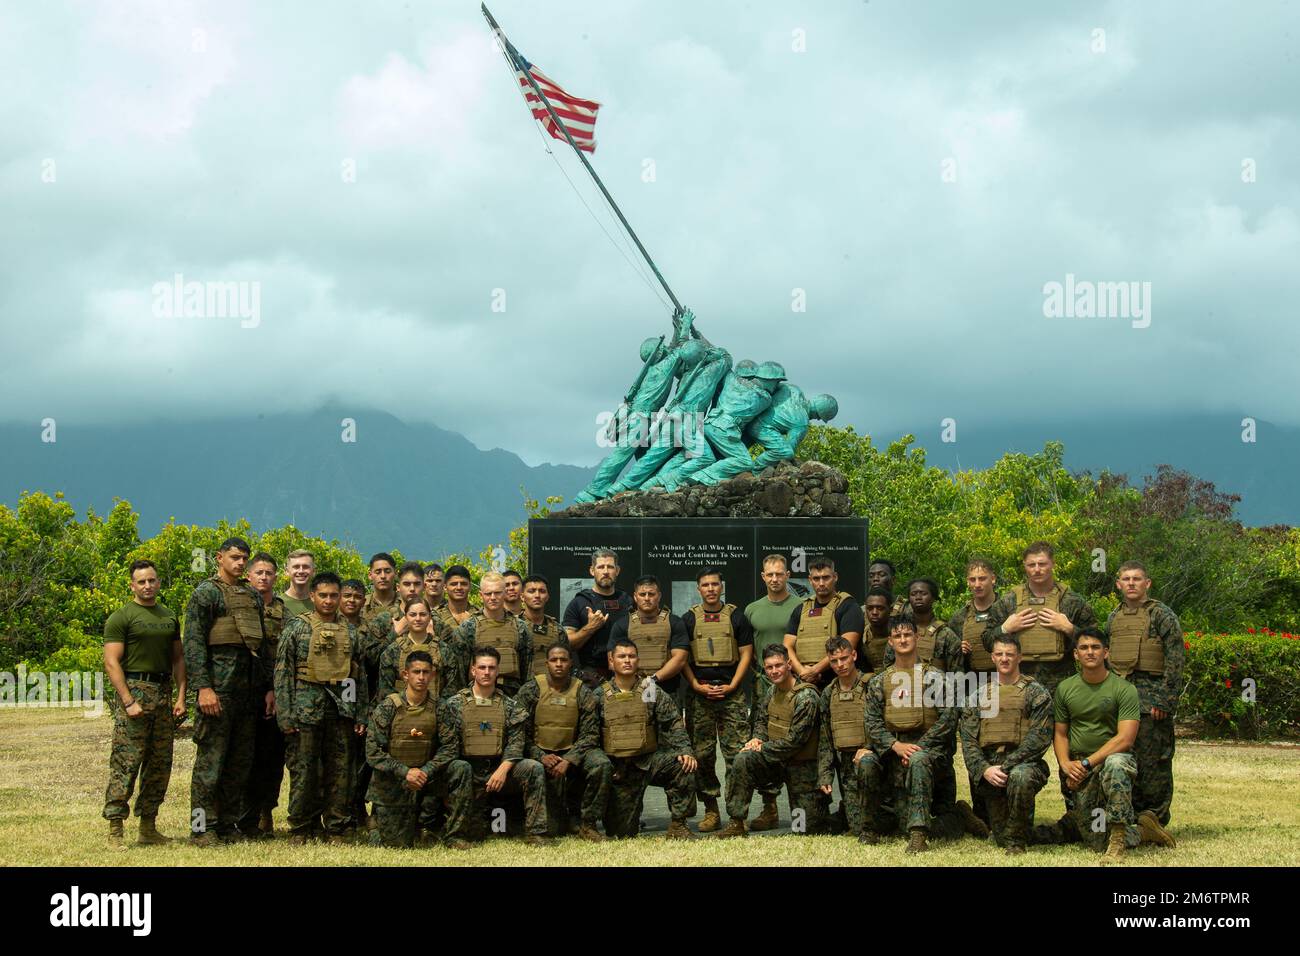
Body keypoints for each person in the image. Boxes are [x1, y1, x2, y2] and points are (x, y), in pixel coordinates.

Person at [1052, 628, 1176, 861]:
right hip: (1080, 767)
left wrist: (1087, 763)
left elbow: (1125, 739)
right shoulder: (1064, 689)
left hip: (1110, 762)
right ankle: (1142, 831)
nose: (1090, 652)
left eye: (1096, 647)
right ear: (1076, 655)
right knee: (1096, 839)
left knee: (1117, 763)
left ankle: (1118, 839)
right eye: (1084, 648)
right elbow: (1060, 734)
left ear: (1106, 652)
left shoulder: (1124, 689)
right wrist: (1067, 764)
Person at [860, 618, 983, 853]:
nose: (903, 640)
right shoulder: (879, 682)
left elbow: (949, 718)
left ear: (917, 638)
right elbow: (872, 722)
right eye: (898, 636)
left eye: (908, 635)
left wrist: (918, 747)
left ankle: (919, 836)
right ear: (890, 642)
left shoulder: (935, 677)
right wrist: (896, 746)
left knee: (918, 761)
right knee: (867, 763)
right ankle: (868, 829)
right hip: (893, 753)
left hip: (930, 754)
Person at [183, 537, 273, 846]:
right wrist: (203, 688)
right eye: (234, 557)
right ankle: (200, 828)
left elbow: (259, 646)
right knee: (210, 764)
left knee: (239, 764)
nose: (240, 563)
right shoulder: (206, 594)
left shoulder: (251, 596)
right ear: (219, 557)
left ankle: (227, 825)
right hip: (217, 693)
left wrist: (267, 688)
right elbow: (193, 643)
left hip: (247, 694)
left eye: (244, 558)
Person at [573, 308, 705, 502]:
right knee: (621, 455)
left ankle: (640, 484)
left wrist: (676, 331)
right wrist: (684, 327)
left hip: (642, 418)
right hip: (640, 420)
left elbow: (671, 350)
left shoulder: (655, 367)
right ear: (659, 354)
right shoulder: (661, 368)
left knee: (645, 454)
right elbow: (679, 352)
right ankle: (594, 489)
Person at [275, 572, 369, 844]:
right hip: (304, 711)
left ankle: (337, 827)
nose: (329, 601)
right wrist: (285, 714)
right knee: (304, 771)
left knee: (340, 771)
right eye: (323, 595)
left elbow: (358, 676)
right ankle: (301, 826)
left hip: (340, 711)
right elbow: (282, 673)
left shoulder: (351, 632)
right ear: (313, 596)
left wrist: (359, 712)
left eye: (333, 595)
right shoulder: (295, 628)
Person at [102, 559, 186, 846]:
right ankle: (115, 829)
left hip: (163, 695)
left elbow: (178, 659)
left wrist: (181, 696)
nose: (148, 586)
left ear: (158, 582)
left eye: (152, 580)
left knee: (159, 765)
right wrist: (127, 701)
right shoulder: (121, 617)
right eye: (142, 582)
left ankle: (148, 828)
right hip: (135, 691)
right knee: (126, 763)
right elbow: (112, 662)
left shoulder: (169, 616)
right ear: (132, 585)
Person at [435, 646, 552, 847]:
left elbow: (516, 743)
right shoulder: (454, 704)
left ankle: (536, 833)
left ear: (498, 671)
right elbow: (449, 747)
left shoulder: (510, 705)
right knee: (460, 771)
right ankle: (455, 836)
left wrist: (502, 770)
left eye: (491, 668)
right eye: (482, 667)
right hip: (467, 772)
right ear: (473, 670)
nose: (487, 672)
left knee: (533, 768)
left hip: (500, 770)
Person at [365, 651, 472, 848]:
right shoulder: (388, 707)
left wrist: (425, 771)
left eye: (426, 672)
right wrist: (405, 772)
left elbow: (450, 747)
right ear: (406, 674)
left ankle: (455, 835)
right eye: (416, 672)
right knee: (395, 844)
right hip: (395, 780)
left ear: (432, 675)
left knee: (461, 768)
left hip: (426, 777)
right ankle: (378, 824)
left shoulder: (440, 707)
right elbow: (373, 752)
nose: (421, 677)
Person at [958, 634, 1052, 855]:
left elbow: (1039, 738)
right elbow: (969, 740)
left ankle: (1017, 843)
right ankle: (967, 815)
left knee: (1020, 778)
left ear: (1019, 657)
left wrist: (1007, 766)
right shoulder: (979, 695)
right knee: (1000, 836)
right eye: (999, 654)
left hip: (1024, 765)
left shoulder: (1035, 693)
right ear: (992, 657)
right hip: (990, 770)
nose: (1004, 658)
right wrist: (984, 769)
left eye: (1010, 654)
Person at [1107, 561, 1184, 826]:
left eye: (1136, 579)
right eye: (1126, 579)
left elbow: (1176, 656)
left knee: (1154, 764)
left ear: (1147, 583)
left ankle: (1155, 820)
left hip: (1152, 703)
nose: (1131, 583)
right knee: (1126, 759)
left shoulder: (1161, 614)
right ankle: (1130, 820)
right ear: (1118, 584)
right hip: (1121, 700)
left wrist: (1166, 700)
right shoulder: (1113, 617)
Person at [718, 644, 824, 838]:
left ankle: (828, 815)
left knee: (804, 829)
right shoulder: (772, 692)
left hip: (802, 768)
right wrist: (757, 739)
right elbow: (761, 721)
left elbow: (794, 742)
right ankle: (737, 823)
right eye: (769, 667)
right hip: (776, 761)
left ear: (789, 664)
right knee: (744, 759)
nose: (774, 671)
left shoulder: (806, 697)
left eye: (778, 665)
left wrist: (762, 747)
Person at [598, 637, 698, 839]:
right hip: (620, 769)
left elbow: (672, 723)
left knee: (683, 765)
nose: (627, 660)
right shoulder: (599, 695)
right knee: (621, 834)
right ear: (611, 661)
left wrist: (685, 751)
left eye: (632, 656)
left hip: (649, 762)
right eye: (622, 656)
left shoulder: (648, 690)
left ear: (638, 660)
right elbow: (591, 736)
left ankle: (679, 825)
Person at [681, 567, 753, 832]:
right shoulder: (689, 619)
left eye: (714, 584)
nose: (710, 589)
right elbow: (682, 657)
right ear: (698, 589)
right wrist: (695, 685)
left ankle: (737, 816)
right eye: (705, 585)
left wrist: (734, 684)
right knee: (702, 755)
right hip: (700, 696)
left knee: (736, 755)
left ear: (721, 586)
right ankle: (711, 810)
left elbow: (746, 653)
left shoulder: (736, 616)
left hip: (731, 694)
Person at [515, 642, 611, 840]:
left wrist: (569, 759)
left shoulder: (582, 691)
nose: (559, 664)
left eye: (563, 660)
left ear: (570, 664)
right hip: (540, 756)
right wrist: (540, 756)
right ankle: (536, 826)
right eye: (554, 660)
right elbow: (518, 733)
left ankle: (588, 824)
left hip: (571, 755)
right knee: (554, 829)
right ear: (546, 663)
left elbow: (590, 734)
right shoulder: (530, 690)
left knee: (601, 763)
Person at [985, 542, 1097, 696]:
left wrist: (1069, 629)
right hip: (1019, 686)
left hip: (1062, 687)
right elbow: (986, 641)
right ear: (1025, 566)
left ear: (1053, 564)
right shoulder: (1009, 601)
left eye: (1042, 564)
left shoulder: (1071, 600)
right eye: (1031, 565)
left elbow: (1097, 642)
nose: (1037, 569)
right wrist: (1005, 629)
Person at [742, 555, 801, 831]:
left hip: (795, 686)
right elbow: (748, 650)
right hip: (763, 685)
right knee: (764, 741)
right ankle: (769, 808)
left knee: (796, 744)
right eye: (770, 574)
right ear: (763, 577)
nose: (775, 579)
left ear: (787, 575)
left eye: (779, 574)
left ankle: (801, 809)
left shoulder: (801, 606)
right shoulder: (752, 610)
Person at [238, 551, 288, 839]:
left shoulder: (284, 613)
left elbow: (285, 657)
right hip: (243, 693)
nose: (264, 577)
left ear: (276, 577)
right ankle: (239, 817)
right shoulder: (239, 606)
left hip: (275, 693)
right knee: (243, 756)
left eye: (269, 573)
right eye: (259, 572)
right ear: (249, 575)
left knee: (271, 757)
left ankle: (265, 812)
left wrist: (276, 690)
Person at [816, 636, 875, 843]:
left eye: (844, 658)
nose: (840, 665)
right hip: (847, 767)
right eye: (834, 661)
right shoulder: (828, 693)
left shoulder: (872, 686)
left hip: (876, 762)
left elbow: (887, 726)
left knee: (892, 824)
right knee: (858, 829)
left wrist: (870, 747)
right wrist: (825, 774)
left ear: (854, 655)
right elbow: (825, 737)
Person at [783, 557, 863, 689]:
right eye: (816, 578)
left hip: (839, 683)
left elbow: (848, 645)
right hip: (805, 682)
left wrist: (815, 670)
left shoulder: (848, 606)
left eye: (826, 578)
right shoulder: (801, 609)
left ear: (835, 577)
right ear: (810, 580)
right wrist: (803, 672)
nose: (821, 583)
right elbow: (787, 646)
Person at [450, 572, 531, 697]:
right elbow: (459, 675)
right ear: (481, 595)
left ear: (505, 593)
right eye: (488, 593)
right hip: (476, 697)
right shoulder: (467, 629)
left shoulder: (521, 628)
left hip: (513, 697)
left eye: (498, 593)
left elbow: (528, 672)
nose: (493, 597)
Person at [562, 549, 633, 688]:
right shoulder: (579, 602)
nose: (605, 571)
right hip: (590, 678)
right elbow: (567, 643)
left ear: (617, 570)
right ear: (592, 570)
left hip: (625, 675)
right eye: (600, 567)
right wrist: (591, 627)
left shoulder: (628, 601)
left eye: (610, 567)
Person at [605, 575, 689, 693]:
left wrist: (653, 679)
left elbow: (680, 659)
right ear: (635, 597)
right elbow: (612, 662)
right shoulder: (622, 624)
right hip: (632, 690)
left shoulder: (674, 622)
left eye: (651, 594)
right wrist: (637, 682)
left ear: (659, 596)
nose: (647, 598)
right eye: (642, 594)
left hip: (667, 690)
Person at [743, 382, 838, 471]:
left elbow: (770, 386)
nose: (817, 420)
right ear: (819, 416)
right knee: (786, 452)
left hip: (749, 417)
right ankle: (755, 468)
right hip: (760, 429)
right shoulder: (802, 423)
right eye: (819, 418)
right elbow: (789, 446)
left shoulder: (794, 389)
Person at [376, 598, 447, 703]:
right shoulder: (392, 651)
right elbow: (385, 691)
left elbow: (451, 688)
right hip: (401, 713)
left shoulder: (443, 650)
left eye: (423, 614)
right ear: (406, 618)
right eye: (413, 615)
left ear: (429, 618)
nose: (418, 619)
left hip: (435, 712)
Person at [885, 578, 962, 672]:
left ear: (933, 598)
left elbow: (957, 675)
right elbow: (887, 667)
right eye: (913, 594)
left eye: (923, 593)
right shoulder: (899, 633)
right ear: (908, 599)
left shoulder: (945, 634)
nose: (918, 597)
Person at [949, 558, 999, 673]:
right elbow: (949, 656)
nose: (977, 584)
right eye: (972, 580)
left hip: (1003, 681)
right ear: (967, 582)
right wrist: (959, 649)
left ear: (993, 579)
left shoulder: (1008, 609)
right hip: (972, 682)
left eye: (982, 579)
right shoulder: (959, 617)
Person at [519, 574, 569, 679]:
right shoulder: (513, 626)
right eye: (531, 591)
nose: (537, 595)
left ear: (547, 597)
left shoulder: (558, 630)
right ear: (522, 597)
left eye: (542, 591)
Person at [362, 553, 402, 623]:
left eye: (387, 571)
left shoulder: (405, 604)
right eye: (378, 572)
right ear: (370, 575)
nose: (383, 576)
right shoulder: (361, 604)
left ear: (395, 573)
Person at [860, 588, 893, 673]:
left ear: (891, 609)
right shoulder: (861, 635)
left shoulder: (901, 636)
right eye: (870, 608)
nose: (874, 612)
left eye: (880, 608)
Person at [439, 565, 477, 630]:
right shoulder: (435, 616)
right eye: (454, 584)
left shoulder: (479, 615)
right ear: (445, 587)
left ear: (470, 586)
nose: (459, 588)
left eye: (463, 584)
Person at [281, 549, 315, 618]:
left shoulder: (322, 604)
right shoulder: (278, 604)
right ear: (287, 571)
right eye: (296, 567)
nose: (301, 571)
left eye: (306, 567)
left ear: (313, 571)